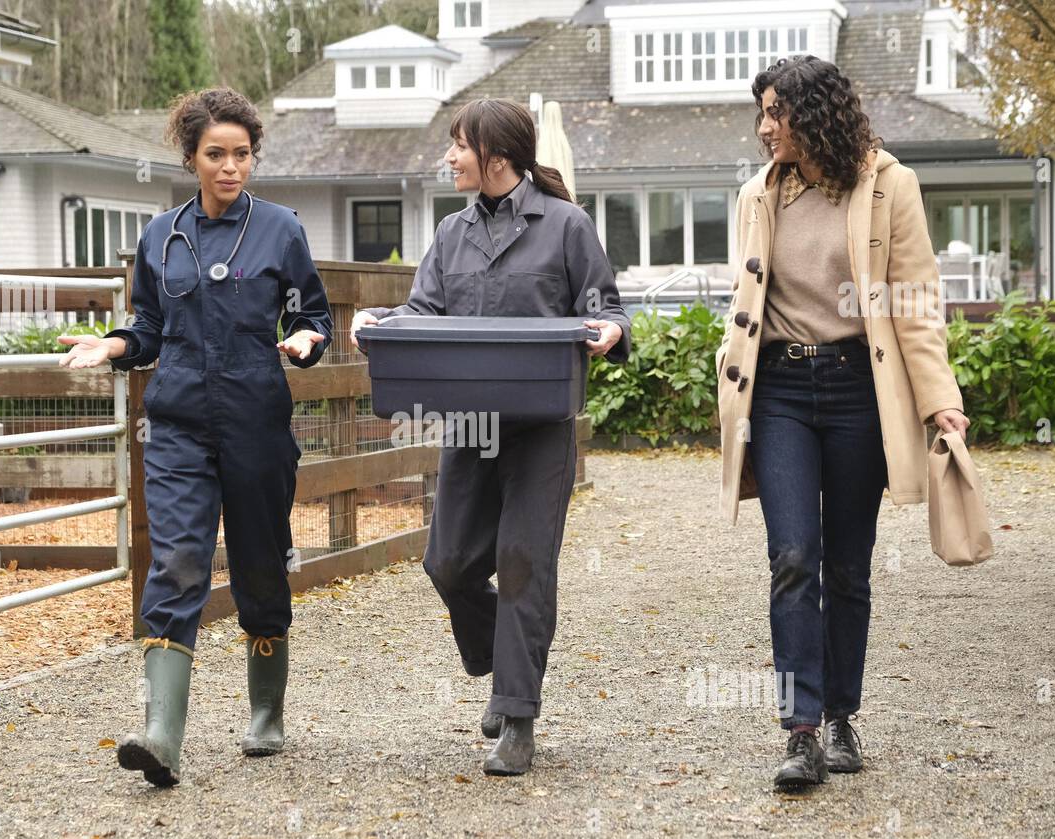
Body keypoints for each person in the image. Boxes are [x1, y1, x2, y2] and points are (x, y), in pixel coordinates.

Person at [58, 88, 332, 786]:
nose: (231, 166)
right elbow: (147, 326)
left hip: (256, 419)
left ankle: (266, 713)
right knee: (177, 561)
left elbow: (314, 315)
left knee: (260, 565)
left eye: (242, 154)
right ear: (190, 157)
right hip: (178, 421)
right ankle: (160, 735)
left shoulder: (280, 230)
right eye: (217, 154)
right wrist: (114, 344)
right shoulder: (161, 237)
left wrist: (304, 338)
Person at [350, 98, 630, 776]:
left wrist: (610, 332)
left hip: (541, 429)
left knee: (523, 563)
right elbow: (424, 312)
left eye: (458, 145)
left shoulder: (566, 225)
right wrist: (382, 322)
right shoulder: (451, 233)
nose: (449, 157)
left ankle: (518, 718)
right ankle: (501, 662)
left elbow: (606, 307)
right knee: (446, 562)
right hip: (469, 427)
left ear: (496, 156)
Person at [715, 56, 970, 789]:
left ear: (815, 114)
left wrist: (938, 398)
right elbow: (749, 300)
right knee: (793, 554)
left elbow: (918, 302)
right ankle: (799, 733)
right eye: (761, 113)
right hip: (781, 391)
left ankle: (839, 718)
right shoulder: (758, 196)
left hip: (861, 388)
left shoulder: (889, 186)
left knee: (848, 566)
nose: (764, 129)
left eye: (776, 113)